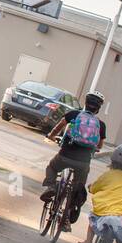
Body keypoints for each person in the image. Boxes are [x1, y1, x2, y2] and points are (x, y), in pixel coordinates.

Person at [39, 91, 106, 230]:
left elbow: (59, 127)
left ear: (85, 103)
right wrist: (94, 148)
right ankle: (66, 218)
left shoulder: (73, 114)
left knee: (52, 167)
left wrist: (51, 136)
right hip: (83, 162)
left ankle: (51, 186)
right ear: (98, 108)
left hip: (65, 155)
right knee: (77, 188)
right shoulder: (100, 124)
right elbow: (99, 145)